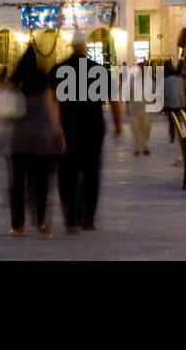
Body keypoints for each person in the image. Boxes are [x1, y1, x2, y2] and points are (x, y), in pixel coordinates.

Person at [52, 31, 122, 231]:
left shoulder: (59, 69)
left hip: (68, 128)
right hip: (93, 129)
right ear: (85, 48)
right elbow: (113, 99)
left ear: (71, 47)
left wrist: (54, 126)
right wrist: (117, 125)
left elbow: (50, 101)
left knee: (67, 174)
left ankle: (70, 216)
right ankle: (88, 218)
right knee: (91, 173)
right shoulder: (98, 70)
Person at [5, 48, 65, 237]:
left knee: (17, 184)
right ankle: (40, 222)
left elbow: (5, 107)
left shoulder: (15, 80)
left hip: (19, 138)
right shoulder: (43, 79)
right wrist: (58, 132)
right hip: (41, 138)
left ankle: (17, 225)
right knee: (41, 182)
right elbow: (50, 109)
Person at [127, 59, 152, 155]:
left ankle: (144, 147)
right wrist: (127, 107)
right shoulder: (132, 81)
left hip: (146, 110)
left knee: (146, 129)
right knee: (135, 130)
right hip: (135, 110)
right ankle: (136, 148)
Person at [163, 60, 183, 142]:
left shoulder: (167, 80)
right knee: (178, 120)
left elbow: (166, 93)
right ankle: (179, 135)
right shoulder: (179, 80)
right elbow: (181, 93)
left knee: (171, 122)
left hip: (170, 104)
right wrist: (183, 103)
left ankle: (172, 137)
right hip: (178, 104)